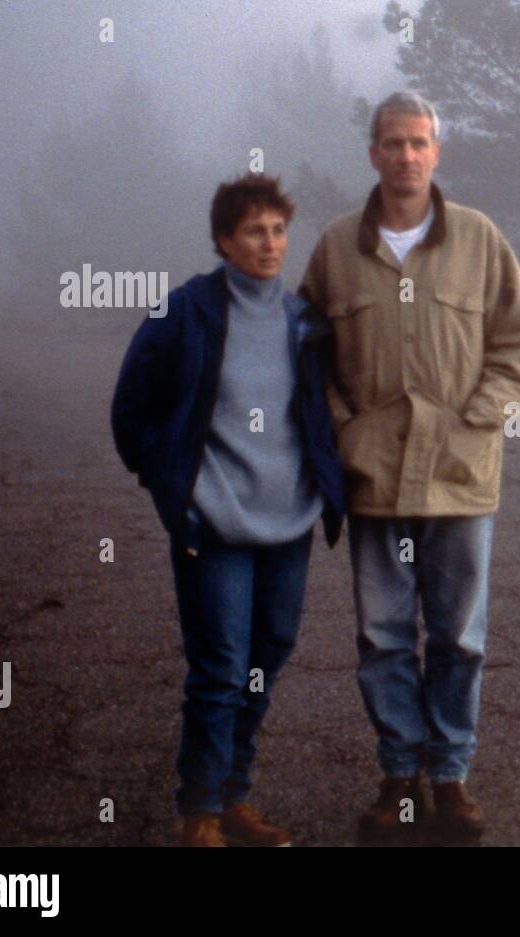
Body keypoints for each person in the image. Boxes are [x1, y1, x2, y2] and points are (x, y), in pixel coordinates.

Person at [298, 91, 520, 843]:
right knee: (382, 635)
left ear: (438, 152)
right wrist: (343, 429)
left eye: (419, 143)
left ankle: (450, 776)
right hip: (373, 479)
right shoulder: (337, 247)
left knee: (460, 636)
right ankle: (398, 774)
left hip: (460, 477)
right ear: (372, 153)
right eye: (392, 143)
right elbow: (309, 358)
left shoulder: (479, 239)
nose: (406, 156)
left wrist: (481, 415)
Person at [111, 173, 346, 846]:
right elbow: (132, 411)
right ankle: (200, 814)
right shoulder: (184, 311)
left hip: (289, 525)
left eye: (277, 230)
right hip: (214, 528)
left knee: (263, 661)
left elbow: (316, 412)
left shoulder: (304, 321)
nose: (270, 243)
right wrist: (171, 487)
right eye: (254, 231)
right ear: (223, 240)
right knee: (219, 668)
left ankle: (235, 799)